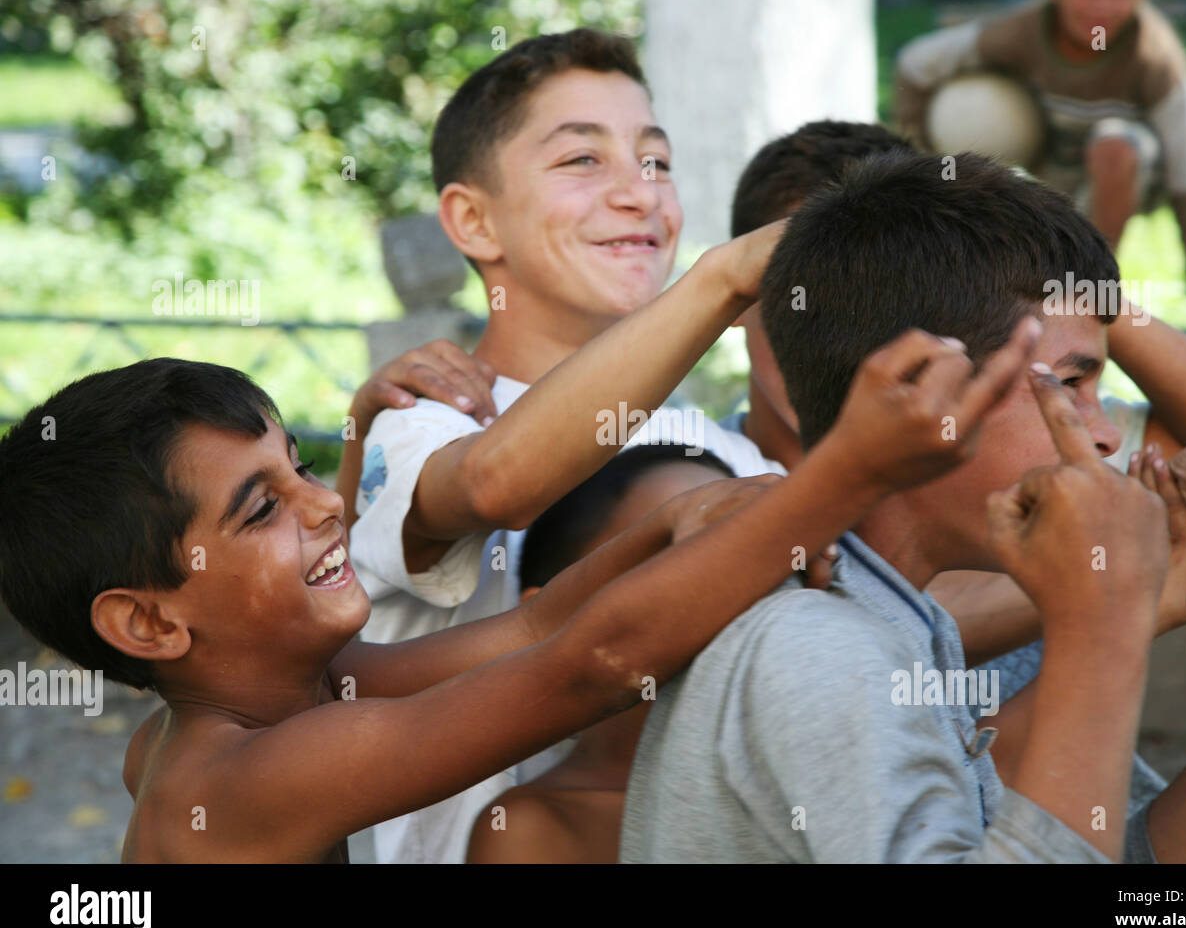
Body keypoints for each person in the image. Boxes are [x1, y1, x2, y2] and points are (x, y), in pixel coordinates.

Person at [0, 322, 1031, 861]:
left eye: (303, 465)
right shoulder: (253, 776)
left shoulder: (239, 713)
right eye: (259, 508)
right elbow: (587, 664)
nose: (324, 506)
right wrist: (842, 473)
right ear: (145, 620)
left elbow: (538, 621)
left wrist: (665, 527)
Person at [620, 152, 1186, 863]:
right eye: (1070, 382)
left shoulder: (897, 626)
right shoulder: (815, 648)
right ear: (924, 390)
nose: (1102, 433)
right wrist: (1102, 631)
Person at [340, 28, 788, 864]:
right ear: (472, 220)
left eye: (655, 161)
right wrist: (720, 282)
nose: (638, 194)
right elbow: (495, 483)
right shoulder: (423, 417)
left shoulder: (721, 453)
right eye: (583, 161)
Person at [893, 0, 1186, 344]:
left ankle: (1088, 289)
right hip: (1051, 167)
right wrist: (926, 164)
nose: (1098, 8)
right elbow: (917, 62)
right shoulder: (1022, 32)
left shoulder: (1155, 57)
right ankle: (990, 290)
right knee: (977, 116)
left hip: (1126, 172)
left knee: (1113, 147)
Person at [466, 445, 736, 863]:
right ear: (558, 616)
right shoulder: (535, 830)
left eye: (740, 548)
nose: (718, 583)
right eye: (678, 553)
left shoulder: (794, 784)